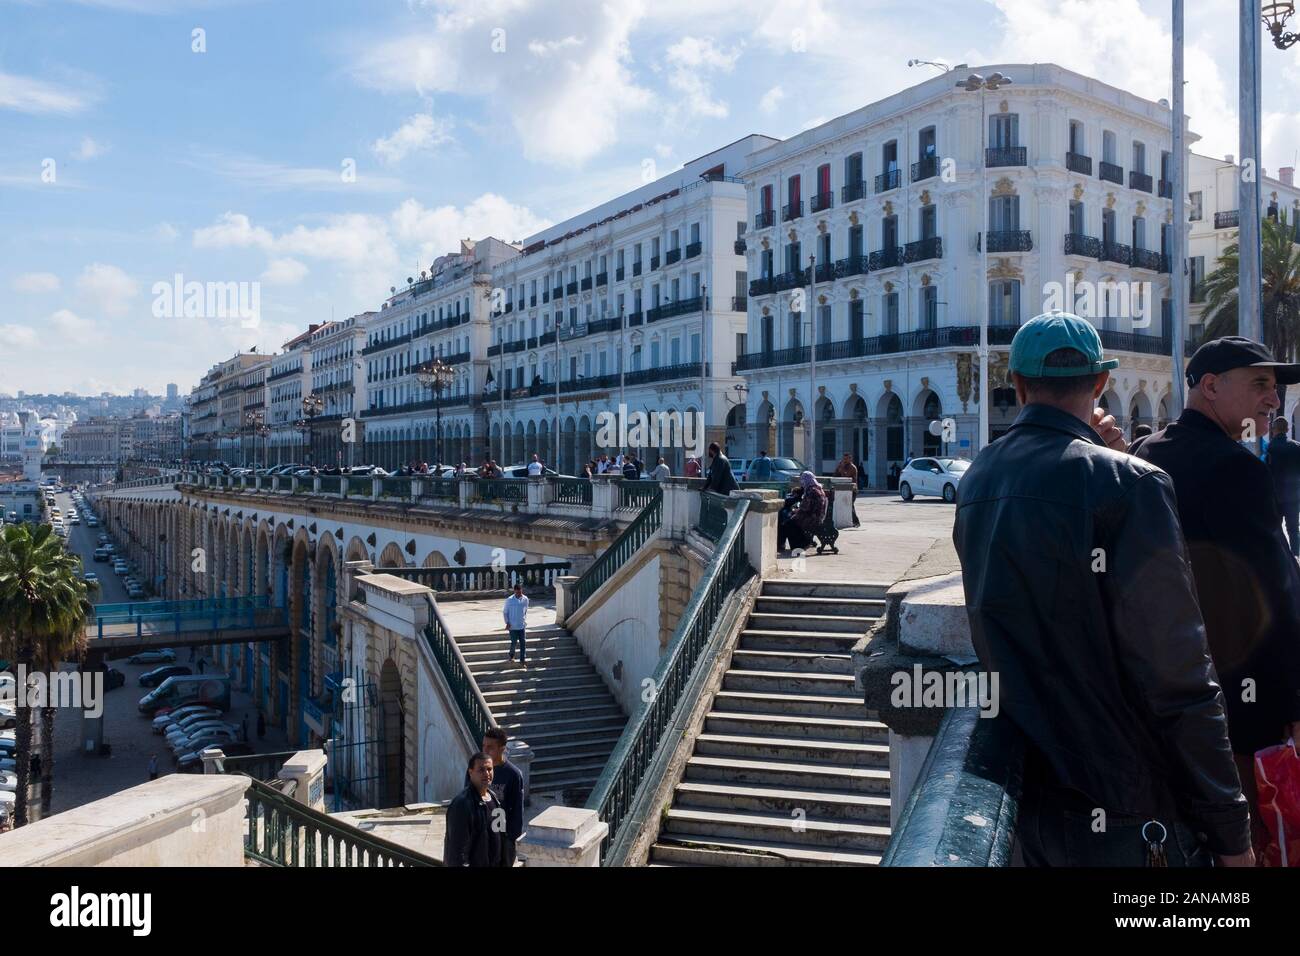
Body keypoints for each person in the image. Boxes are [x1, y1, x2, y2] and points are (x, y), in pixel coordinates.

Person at [954, 312, 1252, 867]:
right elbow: (1180, 674)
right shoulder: (1132, 484)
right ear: (1100, 383)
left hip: (1033, 801)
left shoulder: (978, 480)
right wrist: (1232, 831)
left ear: (1017, 385)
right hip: (1132, 808)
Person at [1131, 336, 1300, 846]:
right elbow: (1274, 594)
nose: (1273, 399)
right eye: (1260, 385)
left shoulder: (1143, 454)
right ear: (1210, 386)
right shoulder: (1238, 468)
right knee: (1250, 840)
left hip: (1156, 700)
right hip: (1238, 705)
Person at [463, 728, 524, 866]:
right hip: (478, 835)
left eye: (490, 747)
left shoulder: (513, 775)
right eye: (483, 746)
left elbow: (516, 812)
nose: (485, 750)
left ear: (502, 749)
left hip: (502, 836)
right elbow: (467, 800)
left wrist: (510, 840)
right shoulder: (474, 770)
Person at [443, 752, 507, 867]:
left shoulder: (495, 799)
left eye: (489, 769)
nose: (486, 773)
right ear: (470, 772)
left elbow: (501, 839)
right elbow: (457, 852)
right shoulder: (462, 804)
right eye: (481, 770)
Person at [1265, 417, 1300, 557]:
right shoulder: (1297, 446)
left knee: (1276, 528)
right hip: (1294, 495)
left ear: (1275, 430)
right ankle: (1296, 557)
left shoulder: (1270, 447)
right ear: (1287, 429)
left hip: (1275, 496)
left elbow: (1266, 471)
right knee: (1293, 529)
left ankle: (1280, 557)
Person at [503, 582, 529, 667]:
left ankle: (522, 660)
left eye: (520, 591)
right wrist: (507, 622)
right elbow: (505, 612)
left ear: (522, 590)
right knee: (514, 642)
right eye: (517, 592)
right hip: (513, 626)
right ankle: (511, 655)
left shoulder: (525, 599)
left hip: (522, 626)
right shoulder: (509, 600)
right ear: (514, 591)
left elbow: (525, 611)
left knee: (523, 643)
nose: (519, 593)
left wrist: (524, 620)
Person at [834, 452, 861, 527]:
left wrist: (841, 469)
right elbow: (835, 475)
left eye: (846, 459)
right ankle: (851, 522)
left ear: (850, 459)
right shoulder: (842, 466)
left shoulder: (852, 467)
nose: (845, 460)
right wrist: (838, 468)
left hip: (852, 490)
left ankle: (856, 522)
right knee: (847, 506)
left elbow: (847, 477)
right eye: (844, 459)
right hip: (843, 489)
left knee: (850, 505)